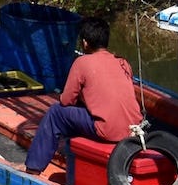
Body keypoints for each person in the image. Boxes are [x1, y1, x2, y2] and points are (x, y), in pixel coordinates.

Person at [24, 17, 145, 174]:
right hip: (133, 129)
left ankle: (33, 169)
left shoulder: (82, 62)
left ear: (85, 43)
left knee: (55, 113)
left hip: (107, 130)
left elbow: (66, 100)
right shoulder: (123, 62)